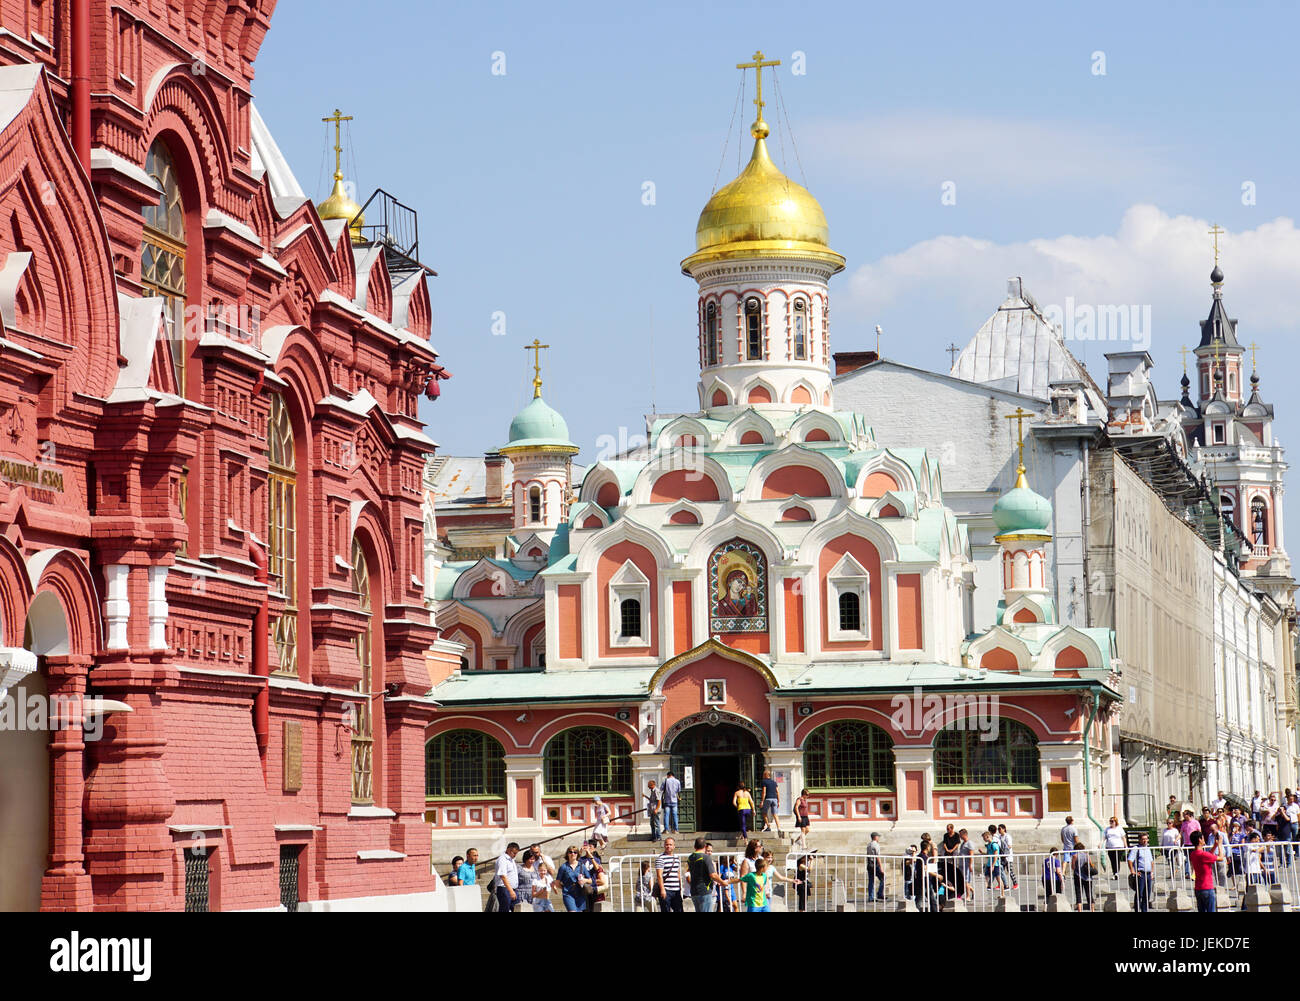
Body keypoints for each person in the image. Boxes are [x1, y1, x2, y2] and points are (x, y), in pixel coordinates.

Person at [687, 838, 723, 912]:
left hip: (694, 891)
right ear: (705, 846)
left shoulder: (690, 857)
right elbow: (713, 875)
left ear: (694, 846)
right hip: (704, 891)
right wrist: (722, 882)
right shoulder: (706, 857)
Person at [1188, 830, 1218, 912]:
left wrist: (1215, 846)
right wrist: (1220, 845)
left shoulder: (1193, 854)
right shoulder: (1203, 854)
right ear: (1200, 840)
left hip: (1198, 887)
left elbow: (1209, 856)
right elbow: (1220, 857)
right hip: (1207, 887)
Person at [655, 836, 684, 913]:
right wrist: (662, 889)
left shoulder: (676, 858)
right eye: (667, 844)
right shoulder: (660, 858)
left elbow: (677, 873)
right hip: (666, 890)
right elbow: (659, 875)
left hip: (676, 890)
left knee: (679, 909)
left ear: (674, 846)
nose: (668, 846)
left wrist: (680, 887)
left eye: (670, 844)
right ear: (664, 845)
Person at [1127, 832, 1154, 912]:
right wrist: (1133, 871)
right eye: (1143, 839)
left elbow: (1151, 861)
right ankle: (1137, 909)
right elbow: (1130, 860)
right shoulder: (1136, 848)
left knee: (1147, 894)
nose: (1145, 841)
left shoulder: (1148, 848)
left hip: (1148, 874)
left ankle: (1144, 910)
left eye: (1146, 839)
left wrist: (1152, 872)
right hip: (1140, 873)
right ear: (1139, 840)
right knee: (1139, 894)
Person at [557, 846, 589, 912]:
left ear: (577, 854)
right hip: (568, 894)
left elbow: (590, 880)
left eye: (575, 852)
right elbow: (557, 883)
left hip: (580, 894)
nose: (573, 854)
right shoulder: (563, 867)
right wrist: (565, 888)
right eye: (570, 852)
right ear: (567, 854)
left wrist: (584, 880)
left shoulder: (581, 866)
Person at [493, 842, 520, 913]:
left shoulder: (511, 860)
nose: (514, 855)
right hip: (505, 889)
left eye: (516, 853)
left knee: (516, 908)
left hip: (513, 889)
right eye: (513, 852)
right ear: (508, 850)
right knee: (505, 909)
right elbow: (503, 876)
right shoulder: (503, 859)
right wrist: (510, 890)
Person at [1071, 840, 1094, 912]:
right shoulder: (1087, 855)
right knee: (1089, 893)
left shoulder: (1075, 856)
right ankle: (1092, 909)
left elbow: (1073, 867)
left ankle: (1080, 910)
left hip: (1078, 875)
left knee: (1078, 893)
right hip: (1088, 876)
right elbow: (1091, 864)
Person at [758, 769, 783, 834]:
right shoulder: (774, 782)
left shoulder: (764, 781)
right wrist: (778, 801)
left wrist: (762, 801)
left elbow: (764, 792)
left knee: (764, 813)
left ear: (766, 775)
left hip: (768, 798)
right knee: (775, 814)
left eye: (763, 774)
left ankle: (768, 826)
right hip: (774, 799)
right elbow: (777, 792)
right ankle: (779, 828)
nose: (763, 775)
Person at [996, 824, 1019, 889]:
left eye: (1000, 829)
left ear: (1004, 829)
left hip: (1008, 857)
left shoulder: (1007, 836)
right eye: (998, 829)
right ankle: (1002, 884)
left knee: (1010, 871)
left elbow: (1009, 845)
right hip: (1002, 857)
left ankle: (1015, 884)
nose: (999, 830)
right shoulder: (1000, 837)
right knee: (1001, 871)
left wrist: (1005, 851)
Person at [866, 831, 885, 902]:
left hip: (869, 864)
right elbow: (877, 857)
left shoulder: (869, 844)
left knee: (871, 881)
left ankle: (871, 897)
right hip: (875, 864)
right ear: (875, 837)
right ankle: (880, 893)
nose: (879, 838)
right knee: (882, 878)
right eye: (878, 836)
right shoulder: (876, 845)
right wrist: (881, 867)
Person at [958, 829, 974, 900]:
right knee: (962, 880)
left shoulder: (969, 843)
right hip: (961, 864)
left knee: (966, 881)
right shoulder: (963, 843)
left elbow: (971, 855)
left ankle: (968, 896)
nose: (960, 836)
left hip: (967, 865)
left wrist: (970, 865)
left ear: (964, 834)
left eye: (960, 835)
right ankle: (972, 890)